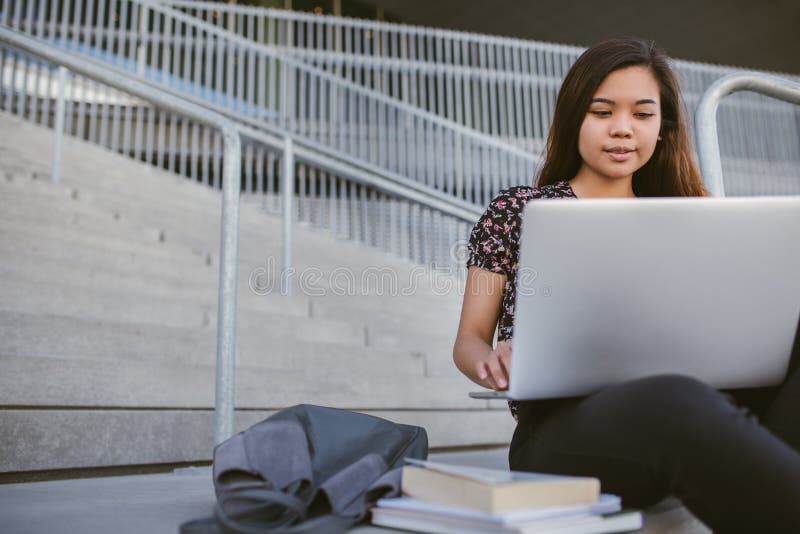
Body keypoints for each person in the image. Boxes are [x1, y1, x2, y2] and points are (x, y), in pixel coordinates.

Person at [453, 37, 800, 532]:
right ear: (574, 117)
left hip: (691, 407)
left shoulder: (693, 220)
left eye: (642, 114)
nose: (622, 129)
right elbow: (468, 340)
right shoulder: (518, 211)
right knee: (676, 401)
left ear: (662, 128)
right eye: (602, 111)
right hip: (558, 433)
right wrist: (489, 361)